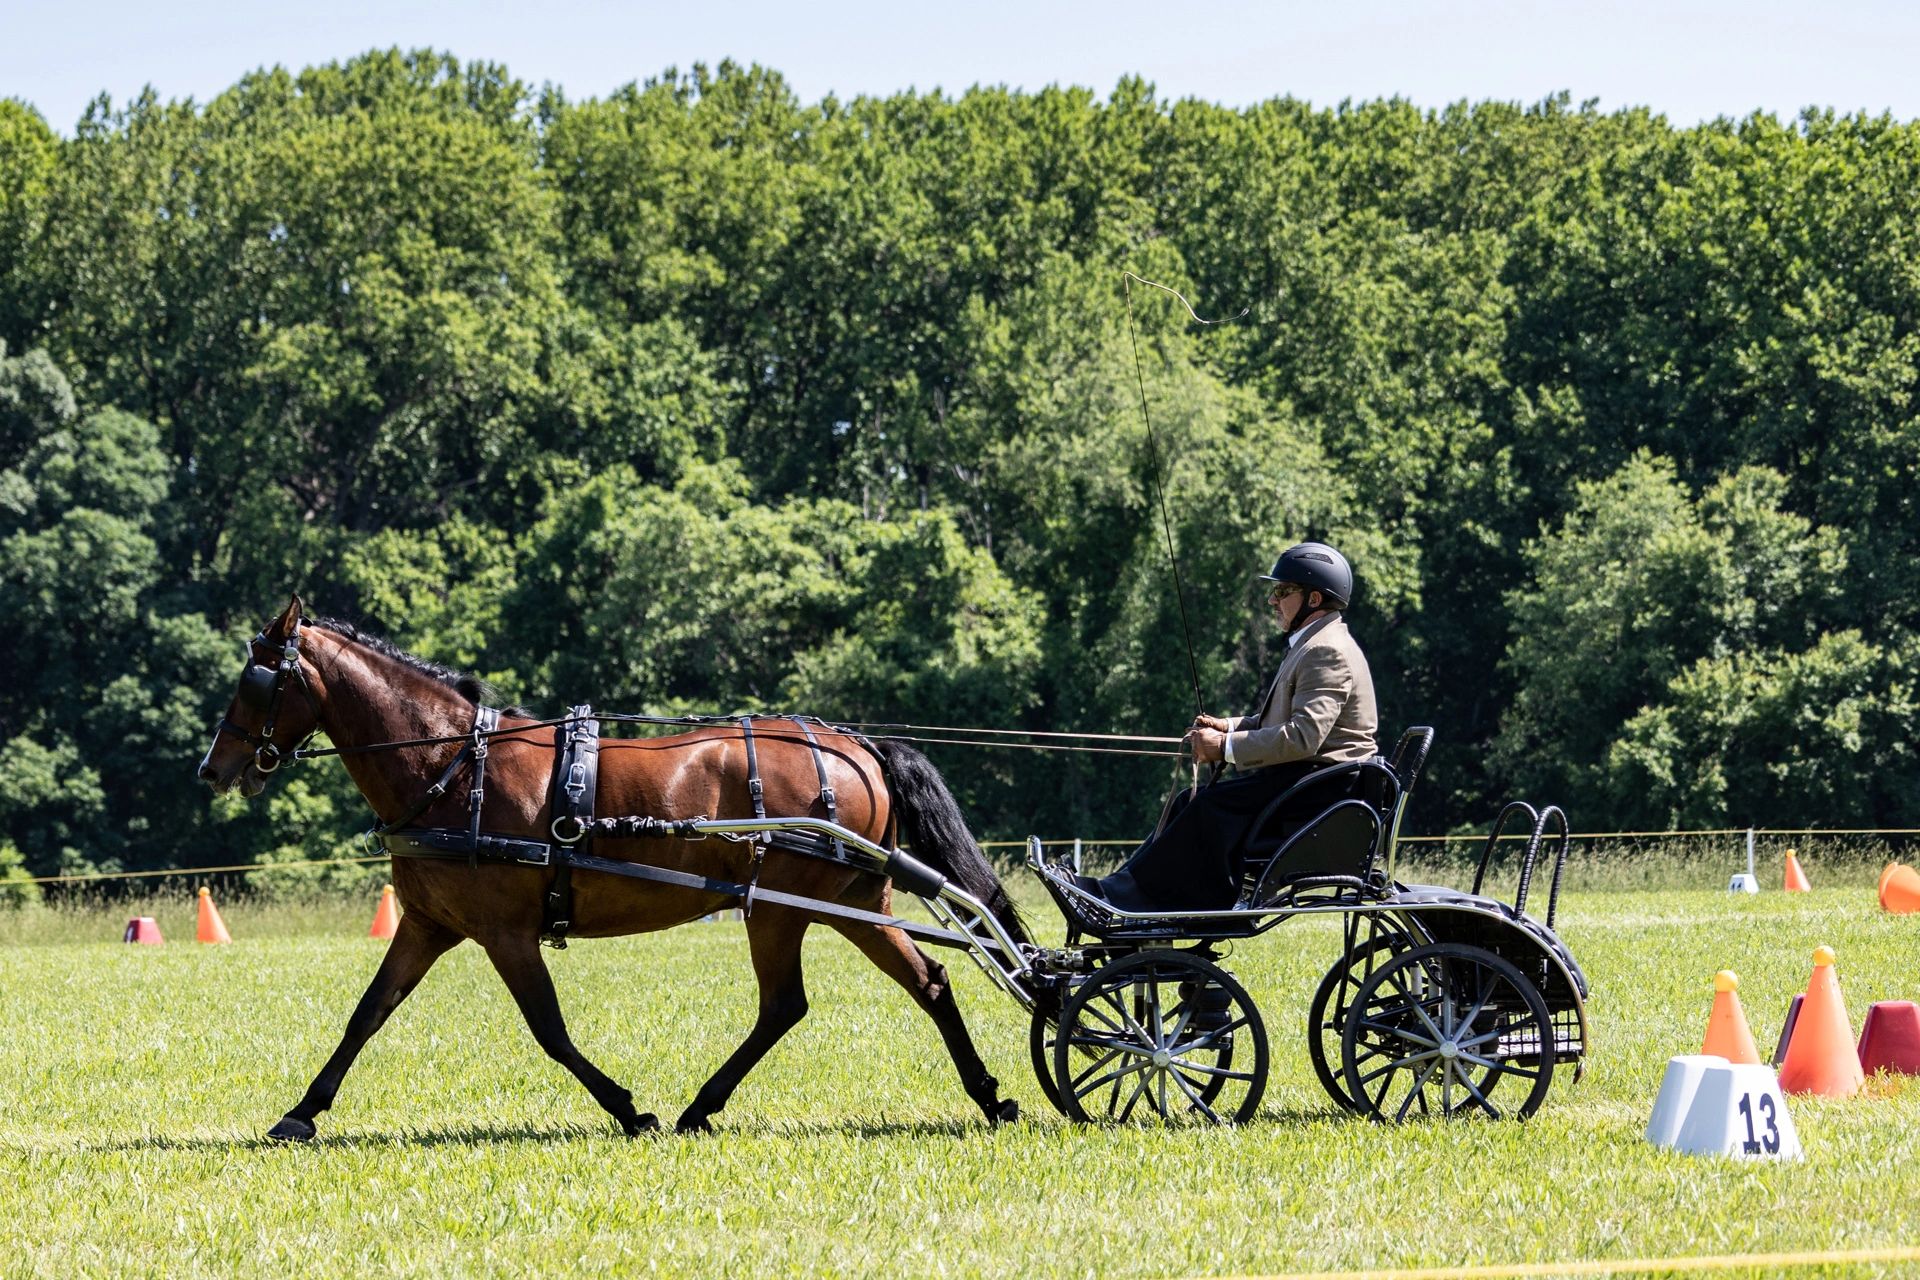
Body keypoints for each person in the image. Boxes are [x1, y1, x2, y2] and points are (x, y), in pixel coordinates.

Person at [1100, 542, 1379, 911]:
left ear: (1314, 599)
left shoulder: (1326, 651)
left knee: (1208, 808)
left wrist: (1225, 747)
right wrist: (1227, 727)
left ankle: (1150, 898)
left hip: (1320, 789)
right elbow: (1281, 723)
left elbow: (1303, 737)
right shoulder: (1313, 645)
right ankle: (1123, 890)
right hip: (1305, 780)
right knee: (1191, 801)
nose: (1272, 600)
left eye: (1282, 591)